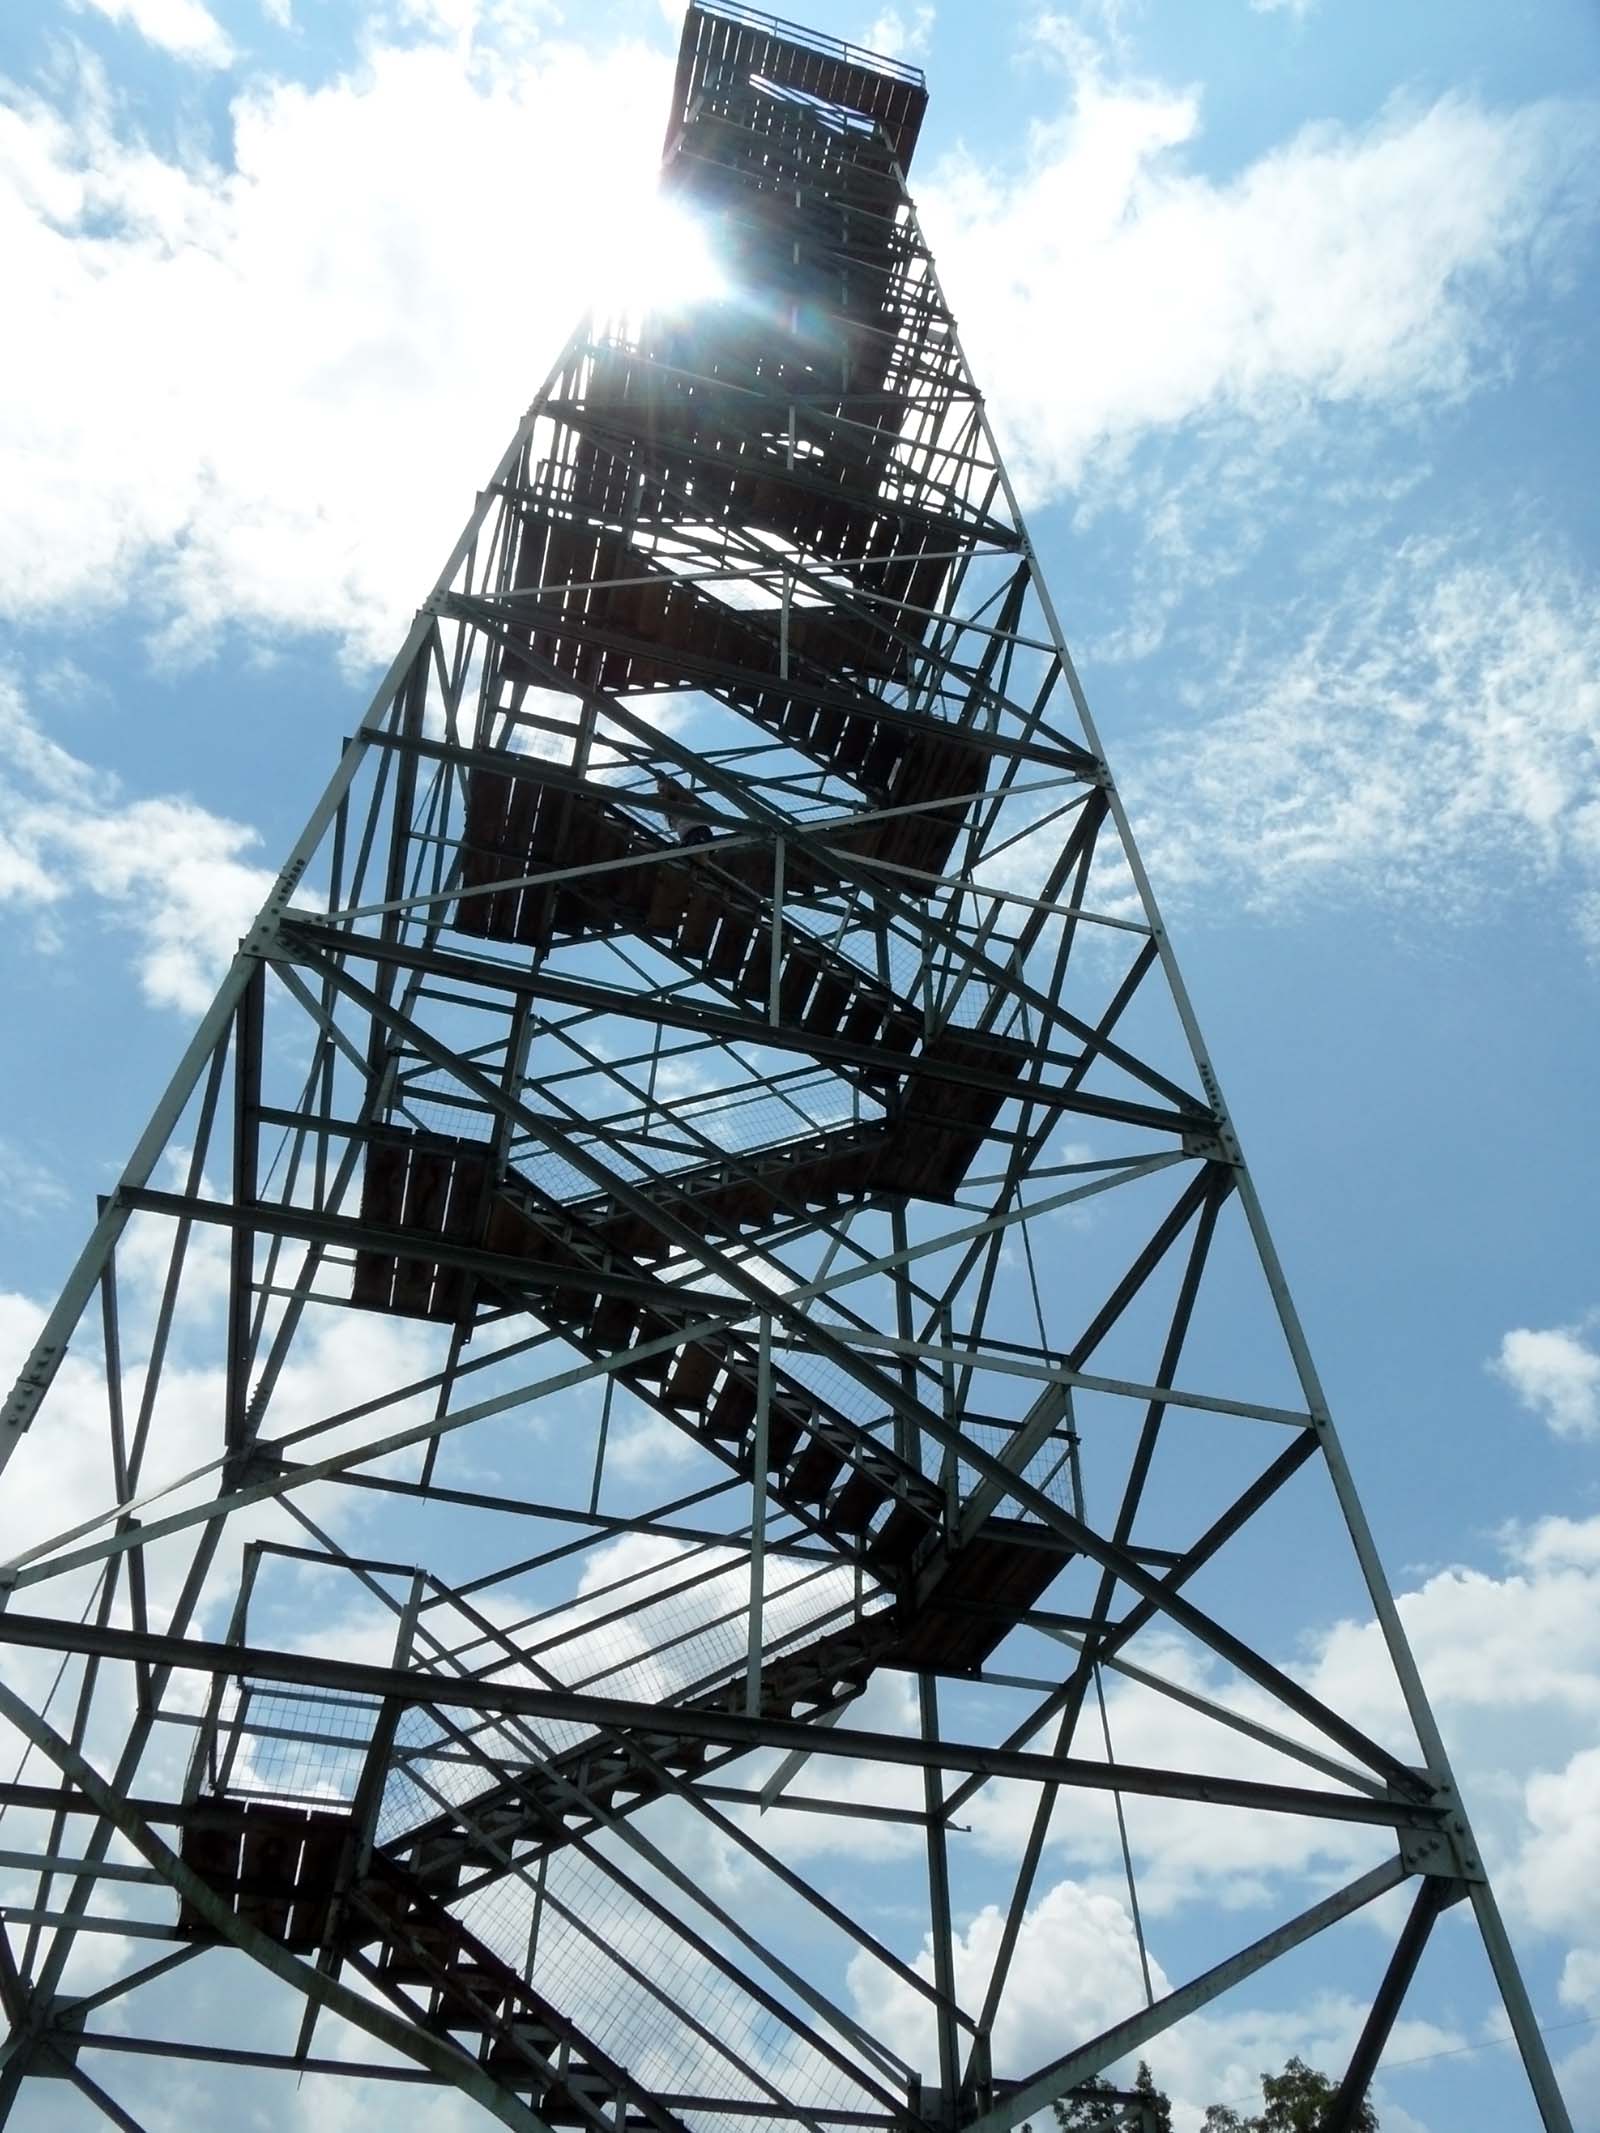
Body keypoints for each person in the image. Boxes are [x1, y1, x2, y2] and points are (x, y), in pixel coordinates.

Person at [649, 771, 713, 846]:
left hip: (697, 831)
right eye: (660, 791)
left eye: (662, 790)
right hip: (686, 836)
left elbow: (675, 788)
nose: (662, 794)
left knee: (698, 852)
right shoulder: (670, 809)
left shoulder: (685, 799)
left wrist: (663, 779)